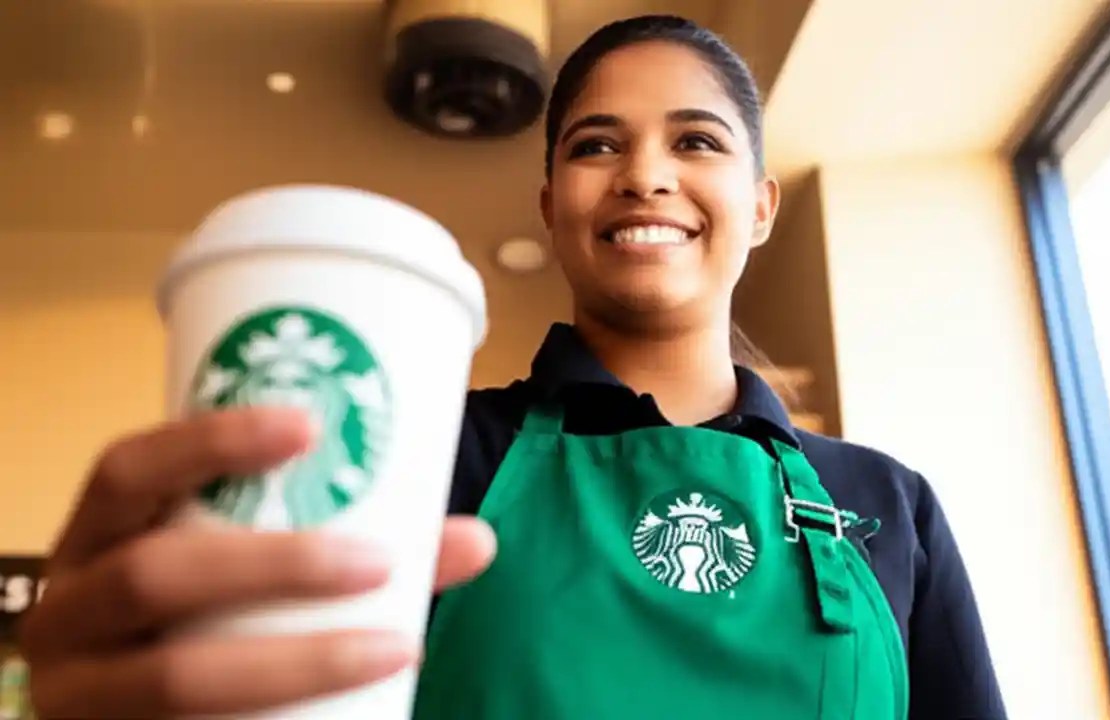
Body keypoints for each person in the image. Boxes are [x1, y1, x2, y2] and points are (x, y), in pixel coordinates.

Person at [19, 14, 1005, 720]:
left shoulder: (886, 503)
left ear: (758, 205)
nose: (644, 173)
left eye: (695, 141)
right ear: (551, 207)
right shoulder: (425, 456)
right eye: (595, 145)